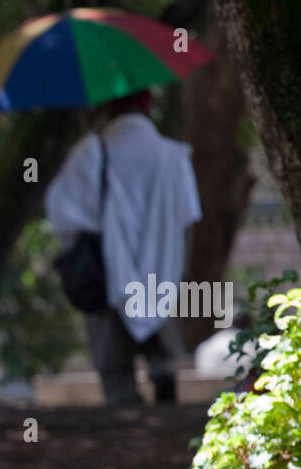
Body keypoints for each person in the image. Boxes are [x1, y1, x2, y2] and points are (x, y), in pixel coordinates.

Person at [45, 88, 202, 405]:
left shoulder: (91, 152)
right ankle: (165, 416)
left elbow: (61, 212)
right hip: (162, 274)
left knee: (115, 372)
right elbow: (188, 218)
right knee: (164, 356)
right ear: (148, 106)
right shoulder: (173, 156)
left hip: (107, 277)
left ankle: (122, 421)